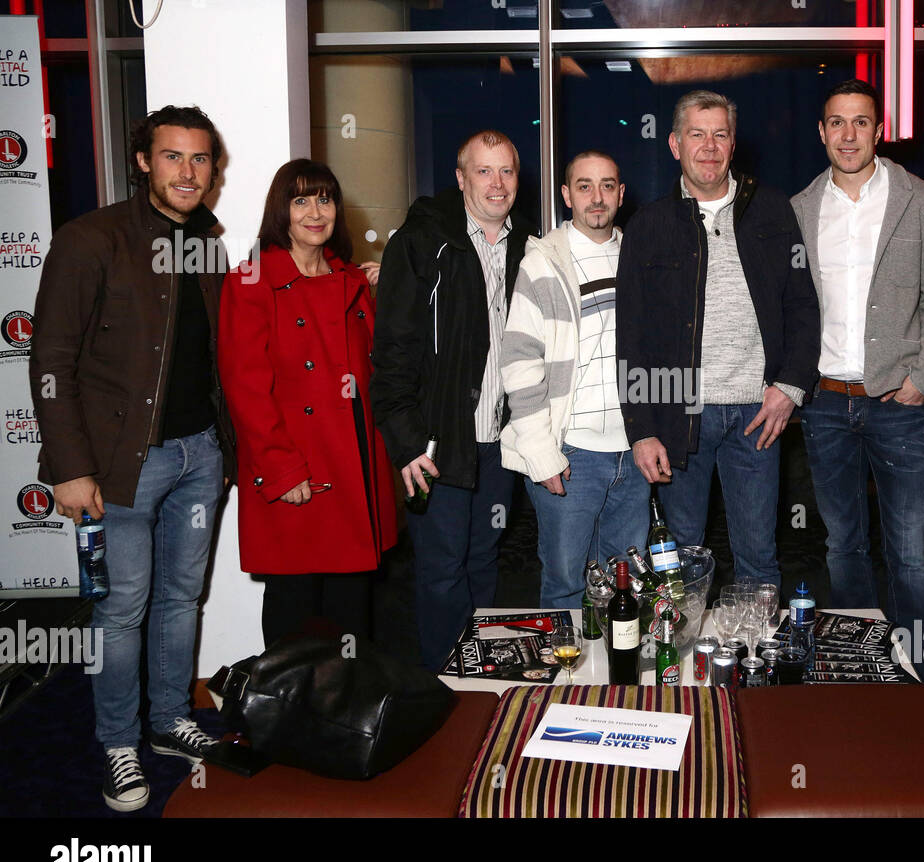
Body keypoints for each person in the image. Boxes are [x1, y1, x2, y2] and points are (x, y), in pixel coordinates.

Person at [29, 105, 232, 811]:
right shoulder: (91, 239)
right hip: (121, 465)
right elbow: (51, 357)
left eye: (201, 159)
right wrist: (69, 466)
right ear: (144, 161)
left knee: (181, 599)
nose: (188, 171)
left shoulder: (209, 241)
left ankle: (170, 719)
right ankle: (119, 743)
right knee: (121, 610)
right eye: (173, 157)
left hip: (199, 455)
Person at [616, 90, 820, 586]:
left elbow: (802, 306)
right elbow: (633, 337)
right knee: (680, 565)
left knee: (758, 557)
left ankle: (757, 663)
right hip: (678, 413)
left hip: (758, 413)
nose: (708, 146)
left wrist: (790, 388)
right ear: (674, 144)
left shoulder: (773, 211)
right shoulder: (648, 226)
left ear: (733, 144)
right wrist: (641, 429)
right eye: (696, 134)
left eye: (720, 134)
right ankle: (681, 662)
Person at [790, 80, 924, 679]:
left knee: (911, 557)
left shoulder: (920, 198)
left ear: (879, 129)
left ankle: (919, 677)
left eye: (861, 122)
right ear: (822, 131)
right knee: (842, 546)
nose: (849, 134)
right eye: (837, 122)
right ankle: (860, 663)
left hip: (898, 402)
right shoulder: (802, 207)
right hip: (827, 404)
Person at [371, 129, 533, 670]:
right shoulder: (421, 244)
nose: (496, 183)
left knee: (485, 559)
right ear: (461, 178)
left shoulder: (527, 249)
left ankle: (480, 671)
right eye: (483, 171)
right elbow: (392, 352)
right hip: (438, 441)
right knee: (442, 569)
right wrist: (406, 441)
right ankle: (446, 685)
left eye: (506, 171)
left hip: (499, 442)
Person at [218, 159, 397, 647]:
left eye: (325, 199)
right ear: (282, 211)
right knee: (293, 604)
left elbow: (376, 372)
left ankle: (347, 714)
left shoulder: (351, 279)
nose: (316, 212)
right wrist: (281, 469)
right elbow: (245, 387)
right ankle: (286, 715)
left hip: (354, 463)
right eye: (301, 201)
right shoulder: (252, 280)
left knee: (351, 605)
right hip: (300, 467)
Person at [500, 151, 649, 608]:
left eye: (607, 185)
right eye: (584, 186)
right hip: (571, 455)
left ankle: (618, 682)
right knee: (566, 586)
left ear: (622, 194)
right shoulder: (543, 263)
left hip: (634, 453)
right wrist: (542, 452)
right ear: (567, 195)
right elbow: (520, 360)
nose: (597, 197)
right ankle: (569, 682)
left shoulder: (641, 257)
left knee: (628, 589)